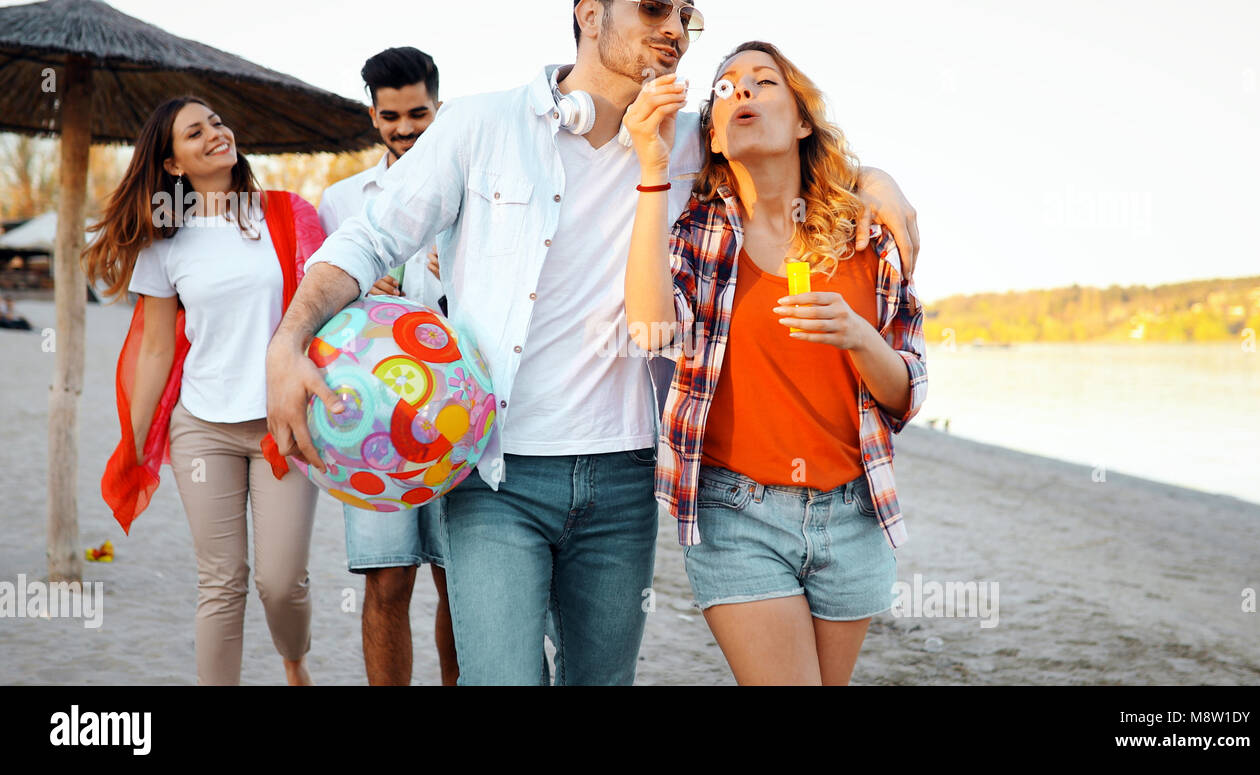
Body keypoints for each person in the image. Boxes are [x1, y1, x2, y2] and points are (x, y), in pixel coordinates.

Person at [266, 0, 918, 685]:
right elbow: (371, 238)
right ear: (588, 14)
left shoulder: (693, 139)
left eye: (686, 17)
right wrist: (288, 342)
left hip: (625, 477)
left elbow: (797, 156)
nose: (673, 28)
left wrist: (878, 182)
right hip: (498, 475)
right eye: (653, 8)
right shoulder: (481, 125)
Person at [623, 41, 928, 684]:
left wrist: (860, 339)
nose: (741, 93)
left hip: (854, 514)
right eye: (726, 88)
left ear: (802, 121)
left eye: (763, 82)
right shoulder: (696, 234)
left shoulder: (867, 234)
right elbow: (649, 330)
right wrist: (653, 171)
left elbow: (907, 395)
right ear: (712, 132)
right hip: (738, 514)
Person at [86, 96, 325, 686]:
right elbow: (157, 348)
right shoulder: (164, 242)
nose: (216, 134)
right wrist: (136, 442)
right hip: (202, 429)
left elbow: (331, 313)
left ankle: (294, 660)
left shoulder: (288, 215)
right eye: (196, 132)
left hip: (284, 424)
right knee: (221, 581)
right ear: (172, 165)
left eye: (216, 122)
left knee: (280, 580)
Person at [317, 46, 458, 687]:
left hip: (460, 415)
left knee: (462, 584)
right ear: (373, 116)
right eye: (391, 116)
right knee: (387, 581)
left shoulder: (474, 195)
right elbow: (323, 311)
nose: (404, 128)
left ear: (438, 106)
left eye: (419, 113)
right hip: (370, 423)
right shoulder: (340, 203)